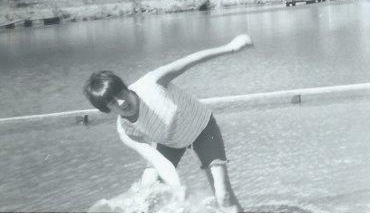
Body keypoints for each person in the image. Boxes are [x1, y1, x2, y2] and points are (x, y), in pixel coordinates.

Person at [83, 34, 254, 213]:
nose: (121, 102)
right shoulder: (125, 130)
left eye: (120, 93)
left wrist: (231, 48)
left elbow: (190, 60)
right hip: (169, 142)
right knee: (148, 194)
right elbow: (160, 162)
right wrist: (176, 188)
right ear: (106, 109)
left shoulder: (151, 83)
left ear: (125, 87)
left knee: (223, 195)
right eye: (111, 102)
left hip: (202, 129)